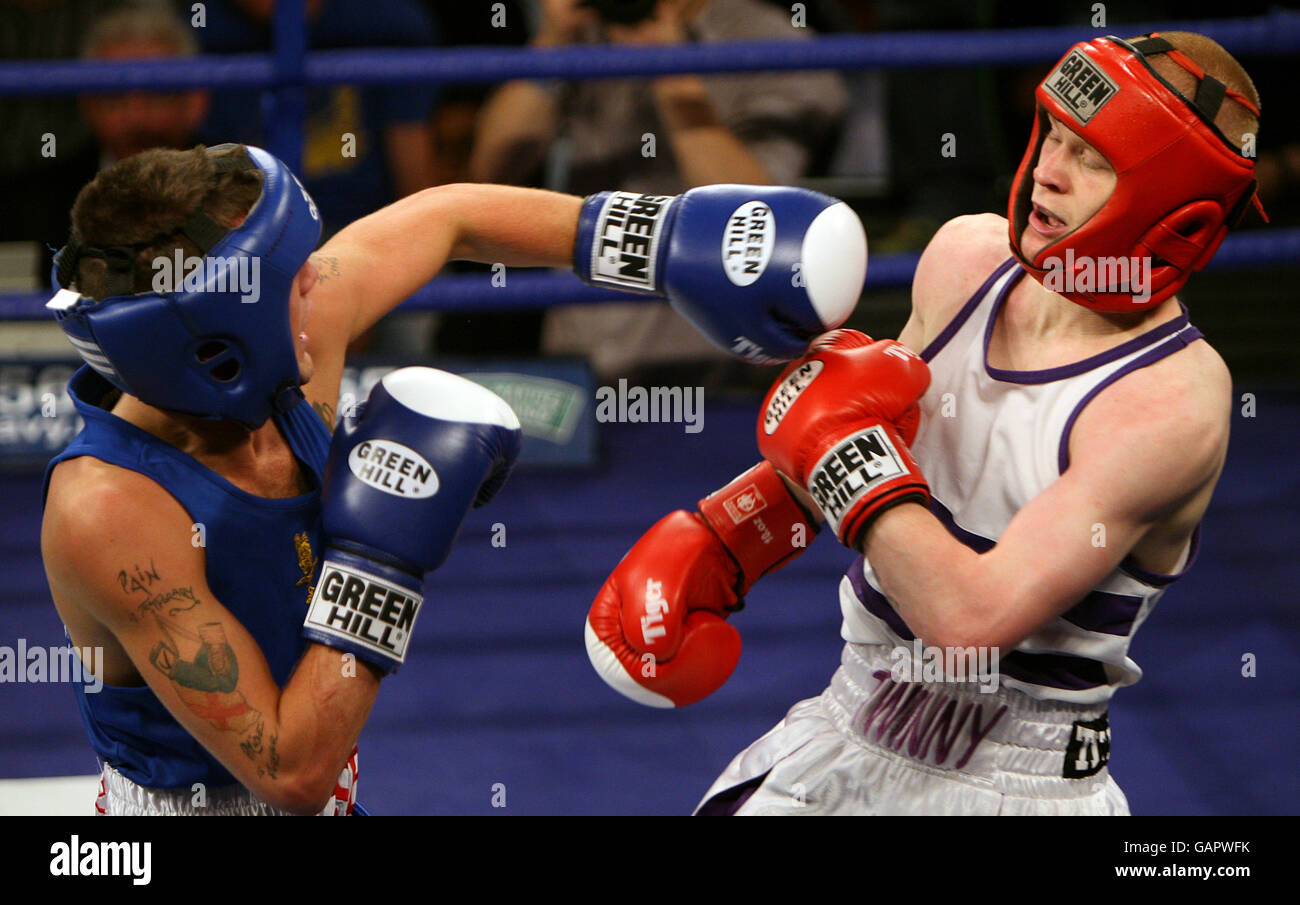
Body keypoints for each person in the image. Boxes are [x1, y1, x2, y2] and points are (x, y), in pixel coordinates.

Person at [40, 141, 868, 814]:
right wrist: (379, 562)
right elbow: (291, 772)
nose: (321, 287)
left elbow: (451, 216)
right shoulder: (111, 508)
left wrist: (657, 240)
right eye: (289, 286)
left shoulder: (287, 338)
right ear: (219, 342)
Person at [584, 31, 1265, 815]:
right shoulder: (968, 260)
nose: (1046, 170)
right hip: (847, 727)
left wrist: (840, 450)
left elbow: (969, 622)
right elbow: (873, 429)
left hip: (1018, 784)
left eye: (1094, 160)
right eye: (1053, 134)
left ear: (1171, 201)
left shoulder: (1168, 401)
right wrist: (731, 532)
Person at [470, 0, 847, 376]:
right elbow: (491, 167)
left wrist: (672, 73)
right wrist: (553, 43)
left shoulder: (771, 42)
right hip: (580, 345)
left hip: (705, 361)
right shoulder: (590, 31)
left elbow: (755, 214)